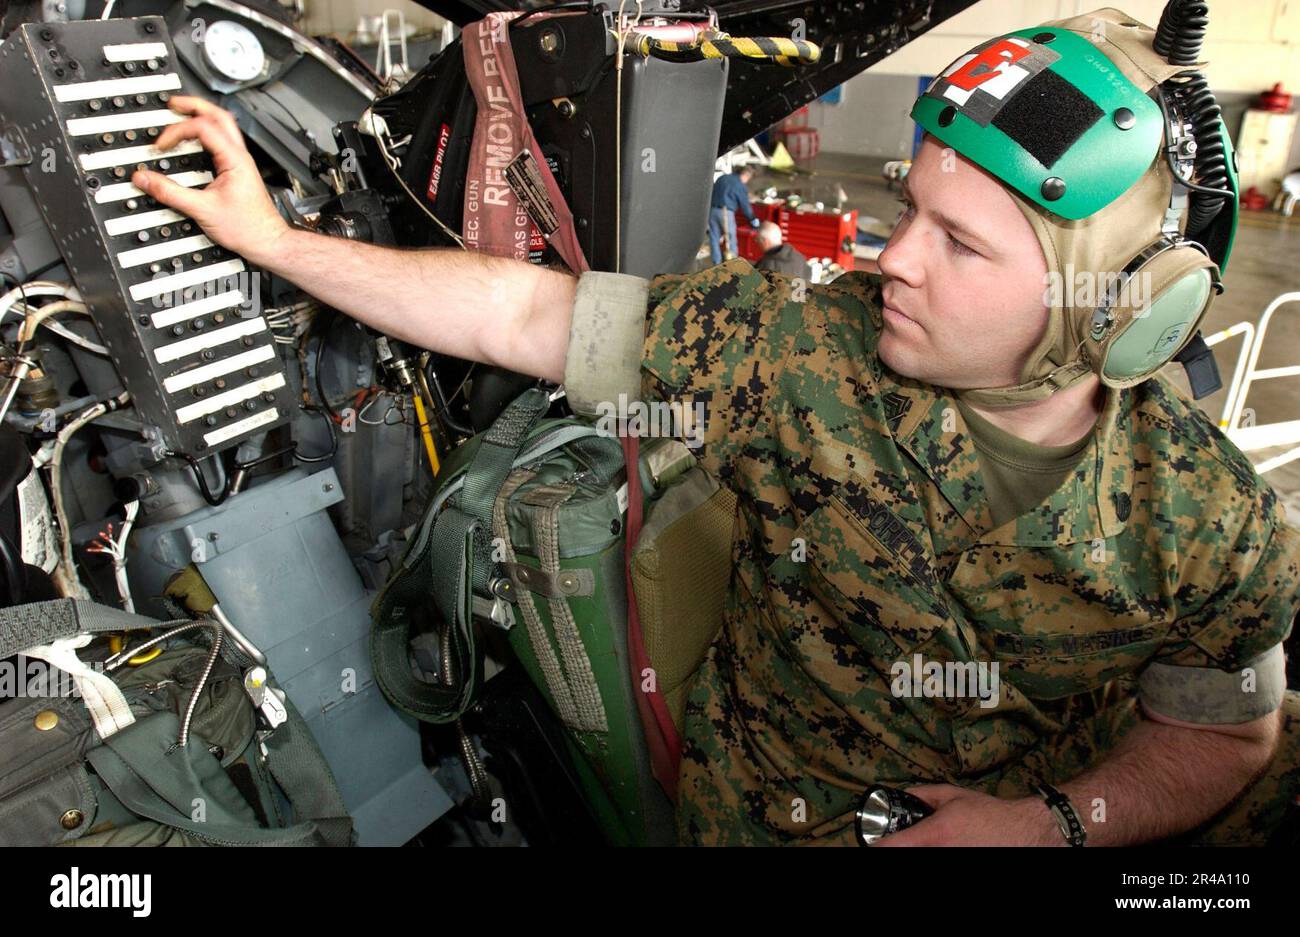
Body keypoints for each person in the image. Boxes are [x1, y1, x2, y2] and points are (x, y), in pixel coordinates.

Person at [131, 7, 1298, 847]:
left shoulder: (1213, 530)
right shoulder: (792, 344)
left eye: (962, 244)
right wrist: (277, 244)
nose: (893, 257)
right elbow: (523, 312)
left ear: (1116, 309)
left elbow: (1222, 741)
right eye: (911, 211)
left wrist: (1056, 826)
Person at [707, 166, 759, 264]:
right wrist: (753, 219)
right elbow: (745, 206)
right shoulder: (739, 184)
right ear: (746, 175)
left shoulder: (723, 178)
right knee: (730, 239)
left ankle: (716, 264)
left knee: (714, 238)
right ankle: (732, 266)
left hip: (712, 210)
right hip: (725, 213)